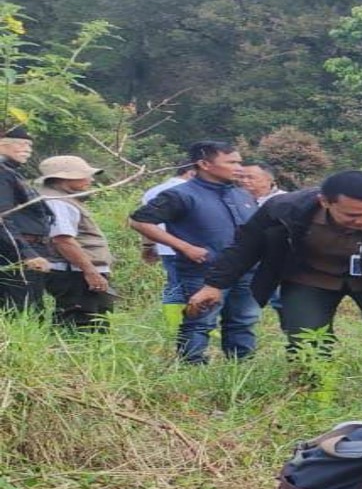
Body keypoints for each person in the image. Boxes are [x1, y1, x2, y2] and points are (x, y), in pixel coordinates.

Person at [185, 171, 362, 408]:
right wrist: (214, 285)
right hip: (309, 278)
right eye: (353, 215)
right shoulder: (284, 209)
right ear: (324, 202)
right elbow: (245, 247)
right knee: (306, 340)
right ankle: (314, 406)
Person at [128, 140, 261, 364]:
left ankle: (241, 368)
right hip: (203, 272)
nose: (239, 167)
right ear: (204, 164)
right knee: (200, 322)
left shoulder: (242, 195)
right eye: (231, 162)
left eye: (240, 162)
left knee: (243, 321)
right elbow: (140, 221)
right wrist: (184, 247)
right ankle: (191, 369)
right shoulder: (180, 195)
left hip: (245, 272)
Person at [36, 155, 115, 331]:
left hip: (77, 272)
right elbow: (63, 240)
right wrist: (90, 271)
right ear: (63, 178)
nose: (90, 179)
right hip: (75, 273)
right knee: (81, 323)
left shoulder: (60, 198)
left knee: (94, 320)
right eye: (84, 175)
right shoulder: (57, 201)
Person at [138, 161, 197, 333]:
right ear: (191, 173)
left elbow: (143, 220)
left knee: (174, 284)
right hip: (191, 247)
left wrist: (148, 246)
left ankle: (174, 323)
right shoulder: (191, 191)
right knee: (194, 287)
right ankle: (188, 325)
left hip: (165, 247)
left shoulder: (153, 191)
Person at [0, 127, 53, 312]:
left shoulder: (11, 172)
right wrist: (27, 254)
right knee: (23, 309)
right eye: (21, 143)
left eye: (30, 145)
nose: (28, 149)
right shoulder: (2, 173)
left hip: (24, 247)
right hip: (15, 251)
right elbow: (2, 218)